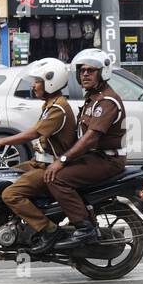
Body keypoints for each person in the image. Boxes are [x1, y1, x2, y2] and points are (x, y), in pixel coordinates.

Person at [0, 59, 76, 252]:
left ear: (52, 82)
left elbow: (33, 133)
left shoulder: (58, 109)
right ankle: (18, 221)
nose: (33, 85)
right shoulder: (51, 104)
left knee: (11, 194)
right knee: (3, 176)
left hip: (52, 168)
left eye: (38, 81)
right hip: (39, 163)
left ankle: (49, 230)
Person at [42, 49, 127, 250]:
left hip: (107, 161)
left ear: (103, 73)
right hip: (94, 158)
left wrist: (62, 160)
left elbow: (90, 139)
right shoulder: (93, 98)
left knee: (57, 178)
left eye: (91, 70)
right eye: (82, 71)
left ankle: (84, 227)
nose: (85, 74)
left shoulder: (107, 101)